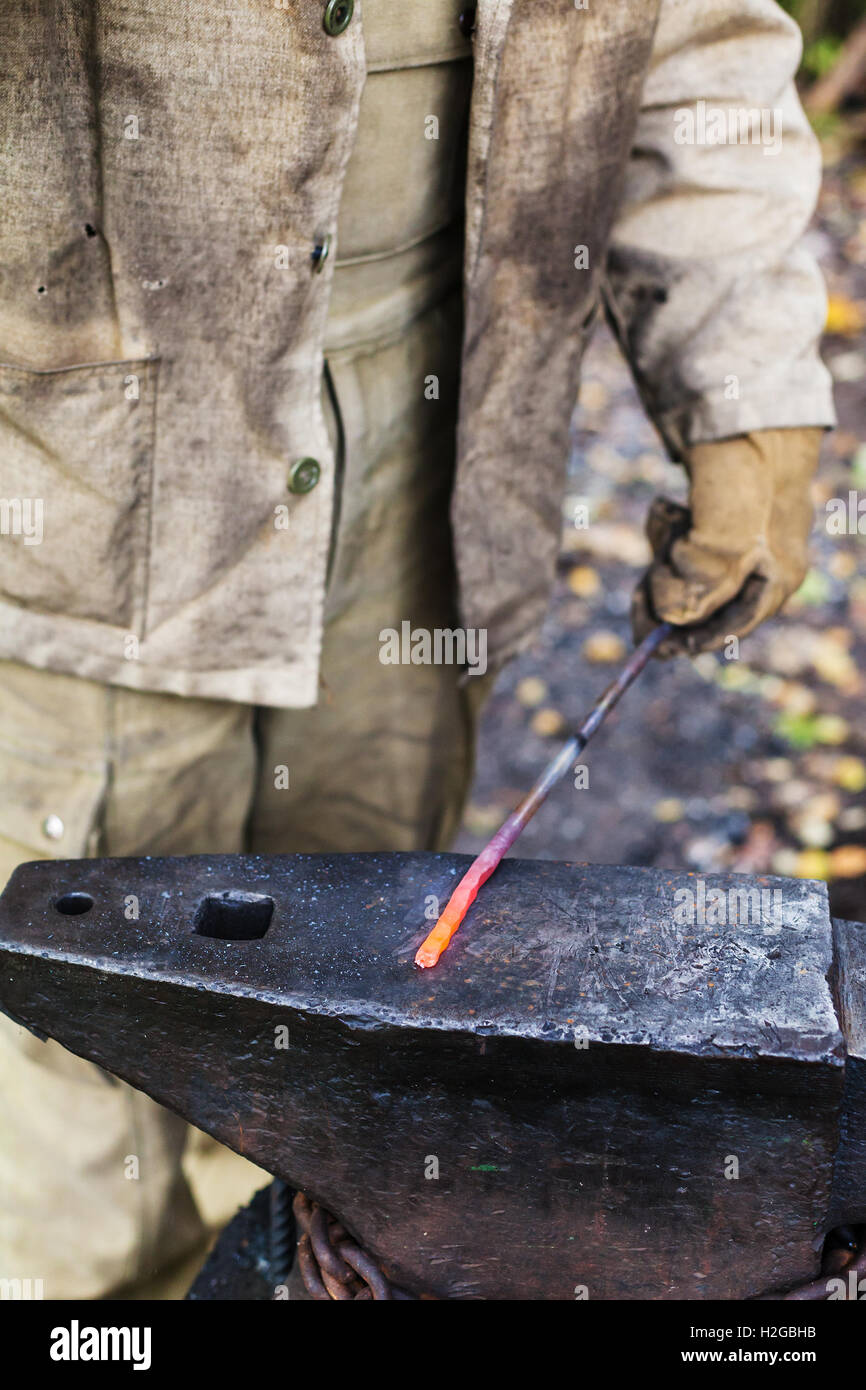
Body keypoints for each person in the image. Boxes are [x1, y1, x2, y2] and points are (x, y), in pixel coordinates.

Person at [0, 0, 834, 1298]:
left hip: (439, 439)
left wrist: (744, 383)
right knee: (61, 1095)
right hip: (54, 449)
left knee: (349, 1053)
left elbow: (692, 31)